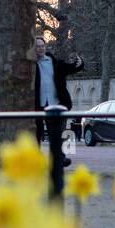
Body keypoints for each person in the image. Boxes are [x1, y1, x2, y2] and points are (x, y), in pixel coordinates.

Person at [31, 34, 83, 167]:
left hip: (55, 103)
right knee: (35, 133)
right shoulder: (30, 65)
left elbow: (71, 68)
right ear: (33, 48)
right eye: (37, 47)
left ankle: (60, 158)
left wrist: (79, 63)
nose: (40, 49)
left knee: (58, 132)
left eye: (42, 46)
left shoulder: (54, 62)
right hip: (37, 104)